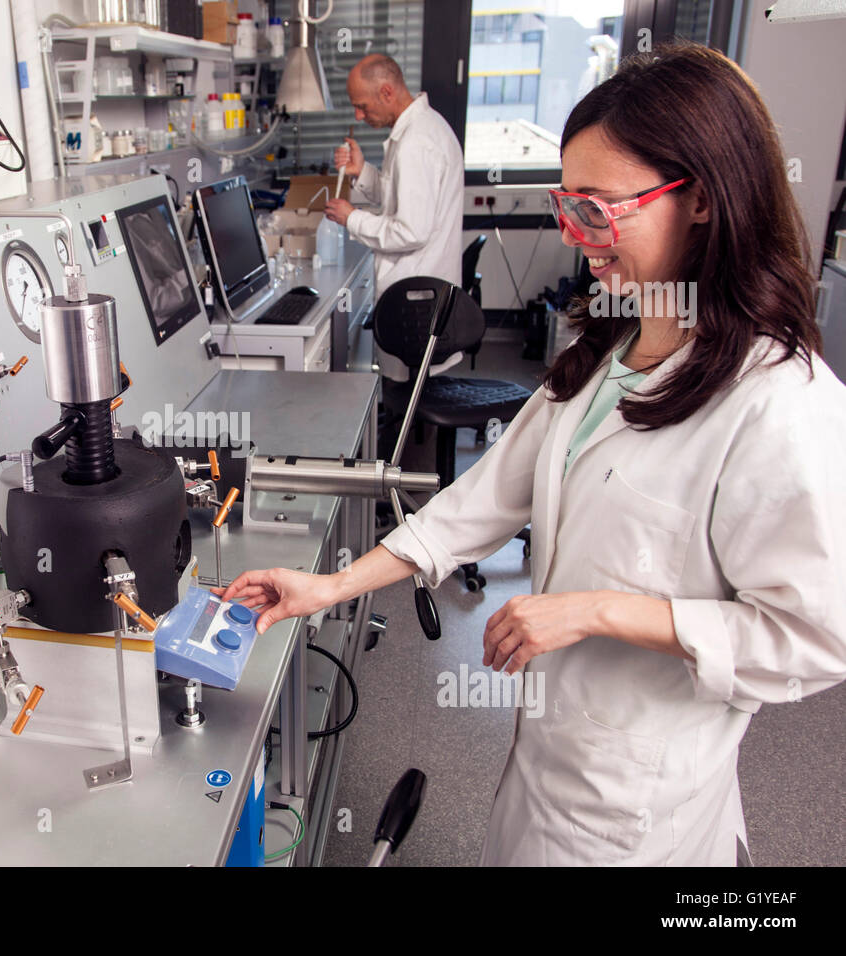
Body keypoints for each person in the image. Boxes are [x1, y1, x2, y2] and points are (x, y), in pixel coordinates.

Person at [221, 42, 846, 865]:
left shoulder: (780, 400)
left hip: (639, 809)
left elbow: (814, 635)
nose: (574, 234)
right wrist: (329, 586)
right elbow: (481, 502)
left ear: (699, 199)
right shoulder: (611, 350)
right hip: (549, 765)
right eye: (566, 204)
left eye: (598, 208)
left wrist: (597, 609)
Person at [324, 53, 465, 462]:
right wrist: (361, 170)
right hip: (423, 295)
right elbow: (397, 199)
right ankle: (398, 465)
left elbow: (410, 230)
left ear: (387, 91)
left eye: (363, 104)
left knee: (404, 398)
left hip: (419, 302)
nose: (358, 113)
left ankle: (393, 481)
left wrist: (352, 220)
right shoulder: (418, 131)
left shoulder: (417, 143)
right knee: (402, 396)